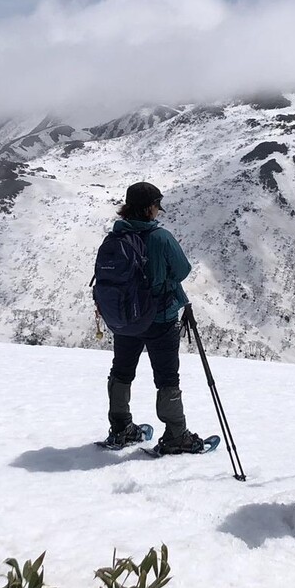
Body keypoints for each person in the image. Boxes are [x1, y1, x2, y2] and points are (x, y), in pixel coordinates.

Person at [103, 182, 210, 454]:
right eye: (156, 205)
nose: (158, 211)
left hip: (126, 320)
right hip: (159, 318)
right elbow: (183, 270)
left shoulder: (114, 238)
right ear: (149, 208)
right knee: (166, 378)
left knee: (121, 371)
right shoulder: (160, 238)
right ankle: (176, 435)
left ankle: (120, 428)